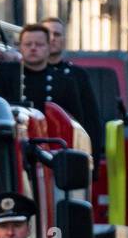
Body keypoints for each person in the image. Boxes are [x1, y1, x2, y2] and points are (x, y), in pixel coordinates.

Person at [0, 23, 102, 150]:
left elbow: (83, 126)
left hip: (56, 153)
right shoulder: (5, 78)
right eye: (28, 44)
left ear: (49, 48)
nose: (33, 48)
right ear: (20, 47)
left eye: (39, 44)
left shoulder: (64, 82)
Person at [40, 16, 103, 148]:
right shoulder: (24, 74)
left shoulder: (77, 75)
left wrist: (91, 163)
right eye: (47, 34)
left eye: (57, 34)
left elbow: (91, 123)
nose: (52, 38)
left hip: (69, 149)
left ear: (64, 40)